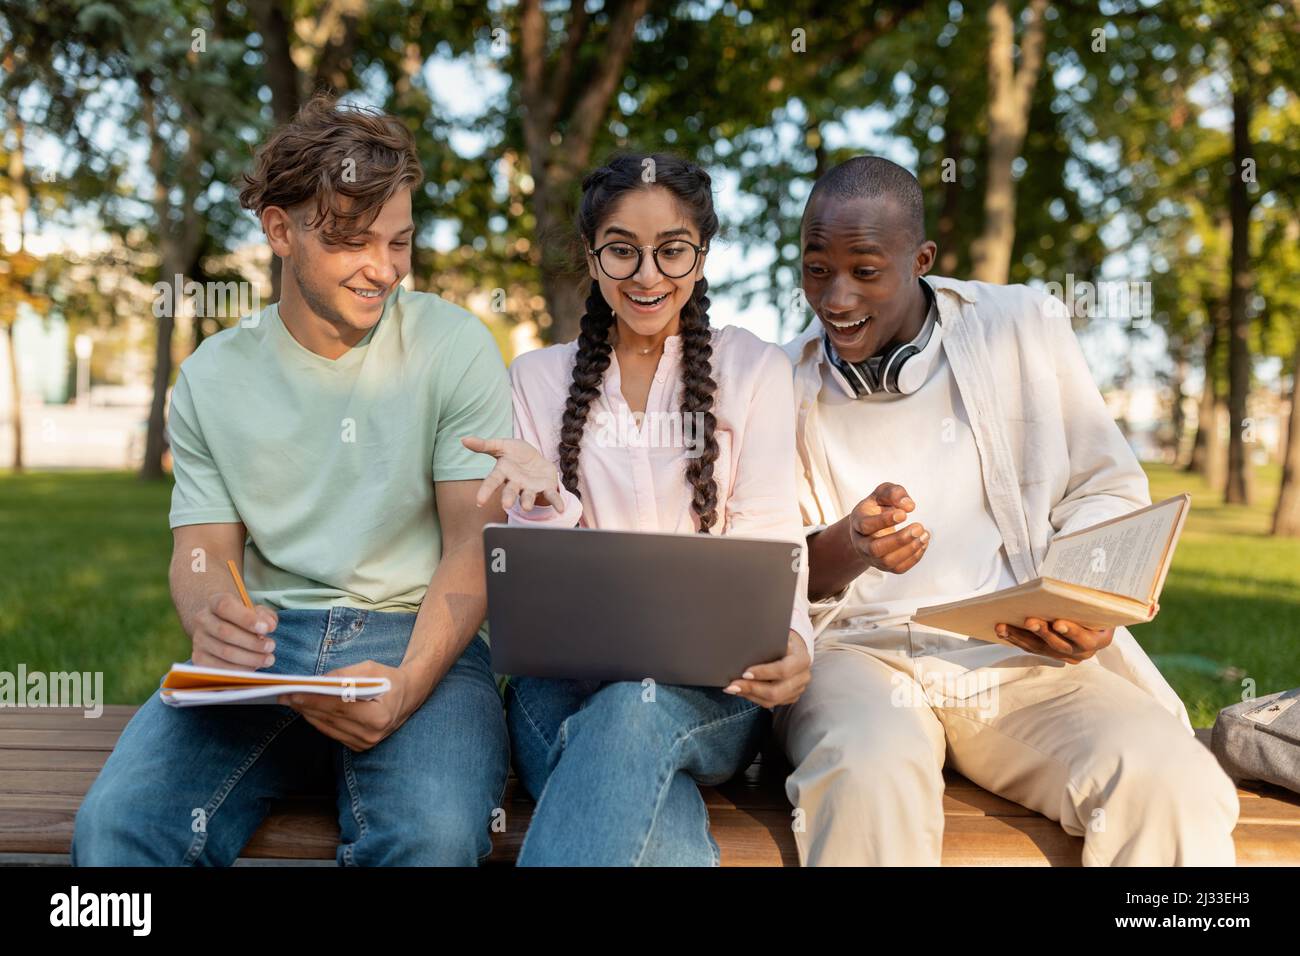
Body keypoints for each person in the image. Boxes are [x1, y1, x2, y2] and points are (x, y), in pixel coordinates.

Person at [72, 95, 513, 866]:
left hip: (420, 638)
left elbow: (473, 545)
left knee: (432, 839)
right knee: (117, 830)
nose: (383, 268)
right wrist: (209, 610)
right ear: (280, 230)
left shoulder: (454, 348)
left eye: (400, 241)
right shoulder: (212, 377)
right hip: (265, 648)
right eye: (352, 242)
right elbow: (203, 551)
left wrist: (408, 684)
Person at [774, 155, 1239, 866]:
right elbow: (764, 567)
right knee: (866, 774)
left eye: (865, 271)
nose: (835, 297)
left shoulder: (1019, 325)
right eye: (816, 268)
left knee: (1169, 779)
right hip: (857, 660)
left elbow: (1105, 487)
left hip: (1014, 654)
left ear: (921, 258)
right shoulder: (780, 381)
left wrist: (1086, 604)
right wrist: (848, 546)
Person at [462, 153, 813, 866]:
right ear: (593, 260)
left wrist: (795, 639)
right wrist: (544, 502)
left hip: (714, 695)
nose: (647, 275)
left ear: (703, 254)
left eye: (671, 250)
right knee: (653, 810)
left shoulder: (755, 371)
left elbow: (772, 528)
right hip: (556, 699)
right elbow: (528, 581)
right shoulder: (535, 379)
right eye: (621, 251)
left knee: (633, 711)